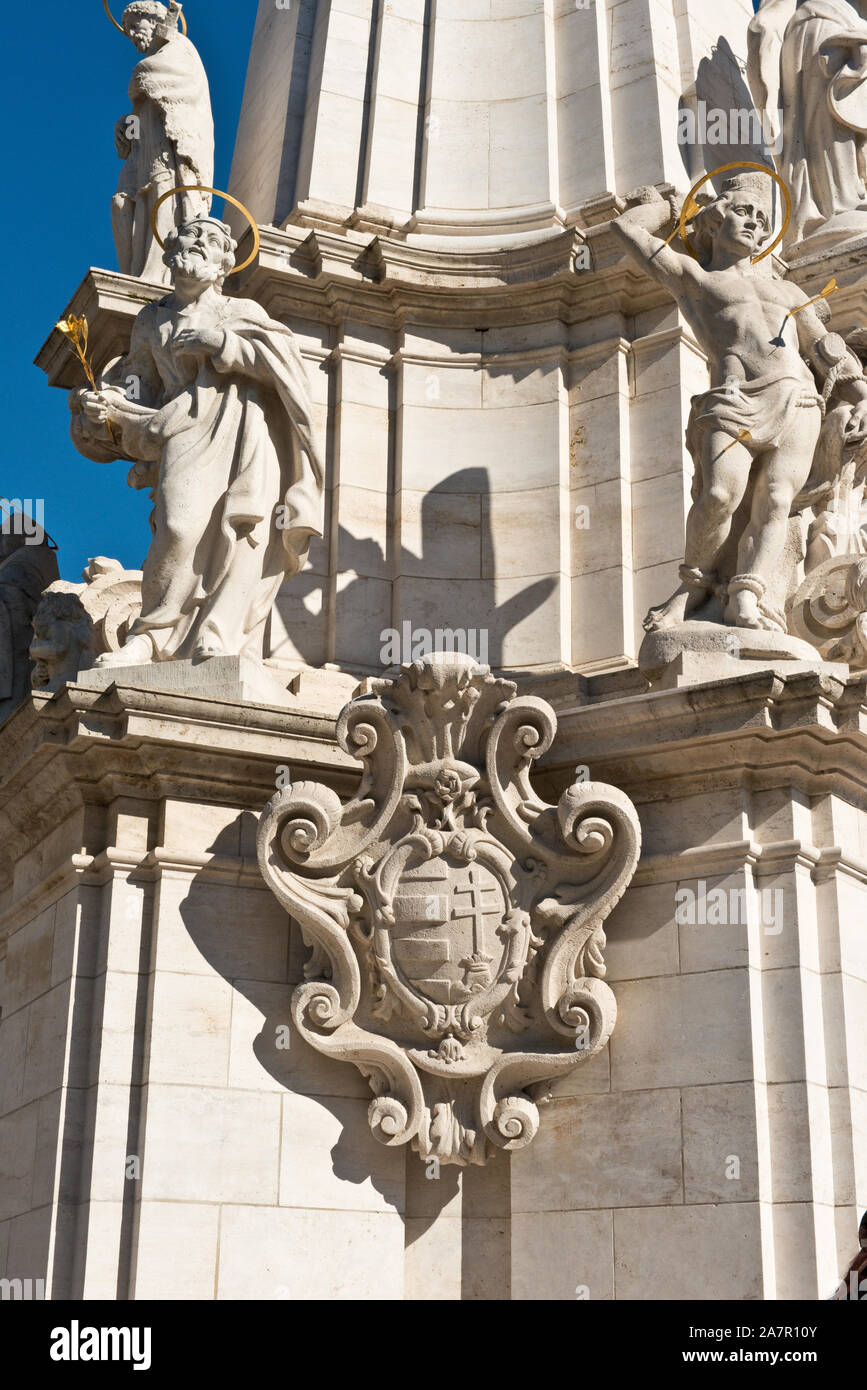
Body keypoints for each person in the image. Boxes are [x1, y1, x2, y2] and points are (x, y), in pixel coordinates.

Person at [610, 174, 867, 631]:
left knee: (775, 500)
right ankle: (693, 584)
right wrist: (668, 209)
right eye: (744, 212)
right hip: (732, 401)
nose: (756, 224)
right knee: (720, 494)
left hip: (799, 399)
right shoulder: (697, 279)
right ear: (715, 217)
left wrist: (862, 394)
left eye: (763, 219)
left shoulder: (788, 292)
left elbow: (826, 348)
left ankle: (746, 595)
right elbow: (627, 232)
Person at [69, 216, 324, 666]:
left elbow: (286, 370)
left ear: (225, 262)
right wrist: (104, 402)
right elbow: (139, 386)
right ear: (170, 249)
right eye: (190, 236)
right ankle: (153, 636)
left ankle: (218, 633)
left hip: (247, 432)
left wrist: (221, 343)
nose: (199, 245)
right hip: (183, 434)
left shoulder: (239, 313)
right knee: (178, 528)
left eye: (211, 241)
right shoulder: (151, 321)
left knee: (246, 528)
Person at [113, 1, 213, 283]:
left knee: (163, 199)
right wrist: (124, 129)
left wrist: (143, 74)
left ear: (152, 20)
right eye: (128, 29)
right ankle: (137, 271)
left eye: (136, 26)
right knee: (124, 202)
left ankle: (158, 274)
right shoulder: (155, 60)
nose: (132, 34)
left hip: (168, 152)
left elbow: (171, 81)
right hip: (144, 156)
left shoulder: (179, 49)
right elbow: (138, 119)